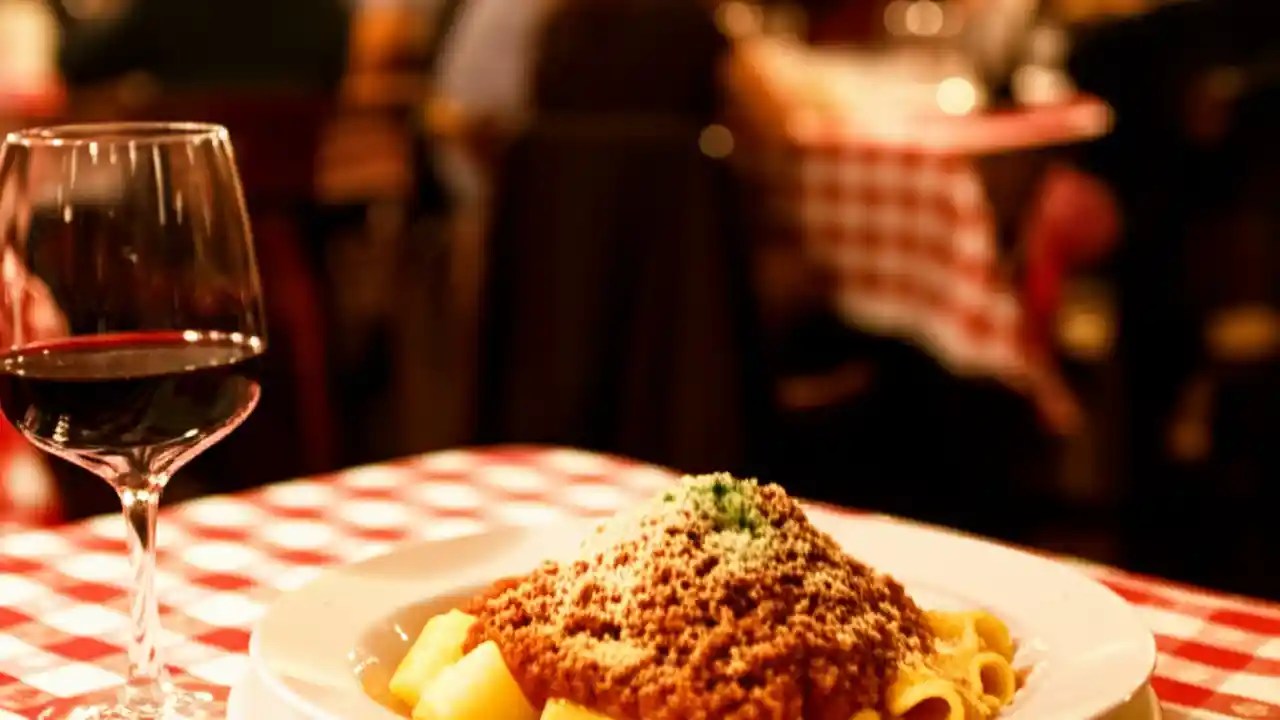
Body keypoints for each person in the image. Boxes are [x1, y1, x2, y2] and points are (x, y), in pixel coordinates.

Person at [53, 0, 350, 92]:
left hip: (183, 196)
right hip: (296, 205)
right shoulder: (325, 11)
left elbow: (76, 64)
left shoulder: (165, 8)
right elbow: (333, 77)